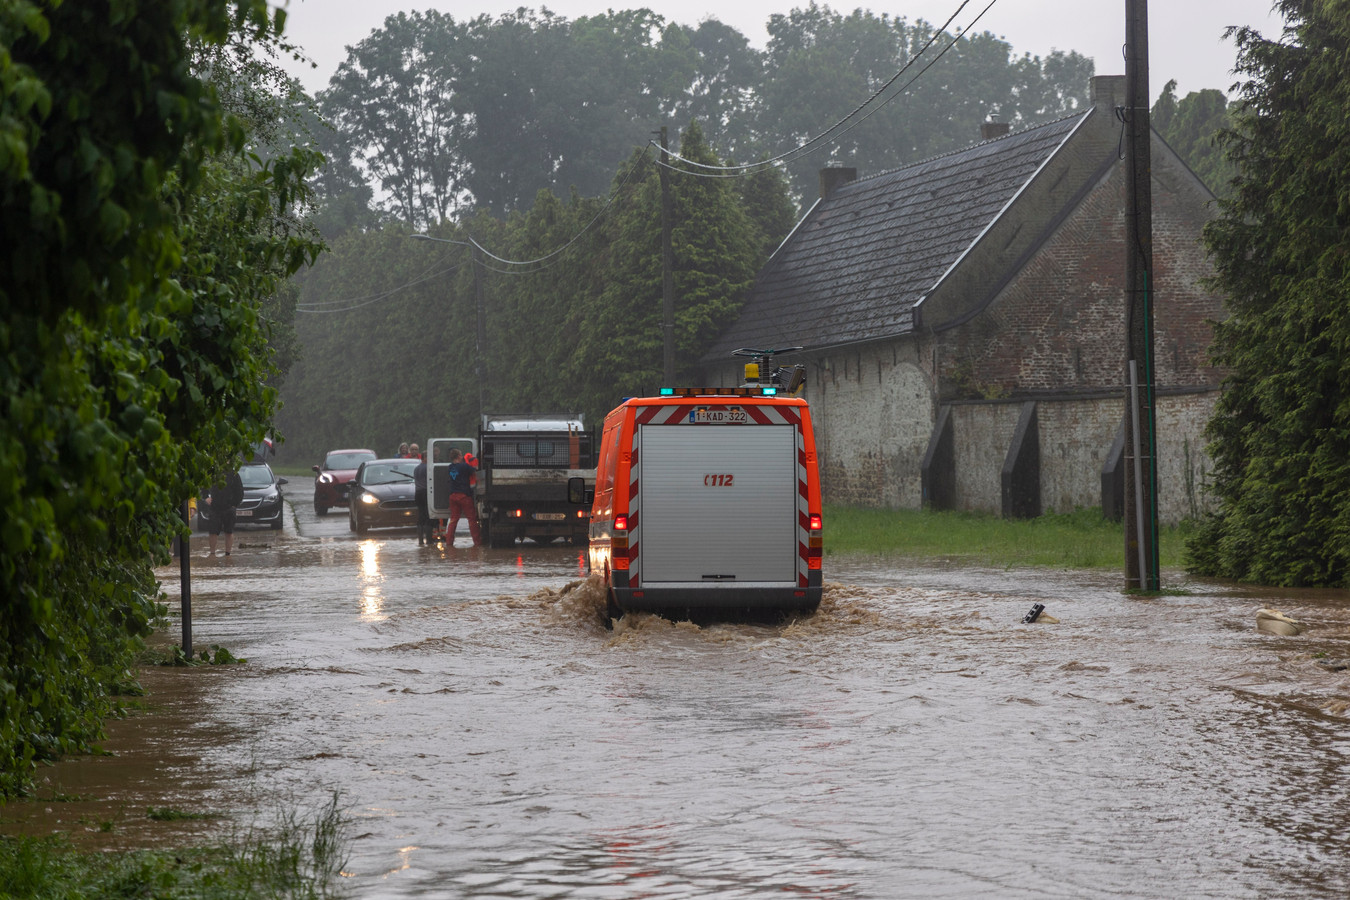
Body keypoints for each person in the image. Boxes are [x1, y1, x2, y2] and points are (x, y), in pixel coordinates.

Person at [205, 467, 244, 557]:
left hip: (229, 507)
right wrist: (206, 497)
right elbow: (204, 487)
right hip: (214, 507)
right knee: (213, 531)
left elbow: (240, 491)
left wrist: (234, 504)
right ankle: (212, 553)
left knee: (229, 531)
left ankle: (228, 553)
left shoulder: (234, 474)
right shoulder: (212, 473)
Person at [445, 448, 480, 546]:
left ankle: (449, 543)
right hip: (464, 496)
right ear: (459, 456)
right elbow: (475, 470)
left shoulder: (450, 467)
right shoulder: (464, 466)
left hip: (453, 496)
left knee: (453, 520)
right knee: (472, 519)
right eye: (461, 455)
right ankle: (477, 543)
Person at [413, 451, 431, 546]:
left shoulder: (416, 469)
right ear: (424, 458)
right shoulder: (428, 468)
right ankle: (429, 540)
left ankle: (420, 541)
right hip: (425, 493)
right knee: (428, 516)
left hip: (418, 493)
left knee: (420, 515)